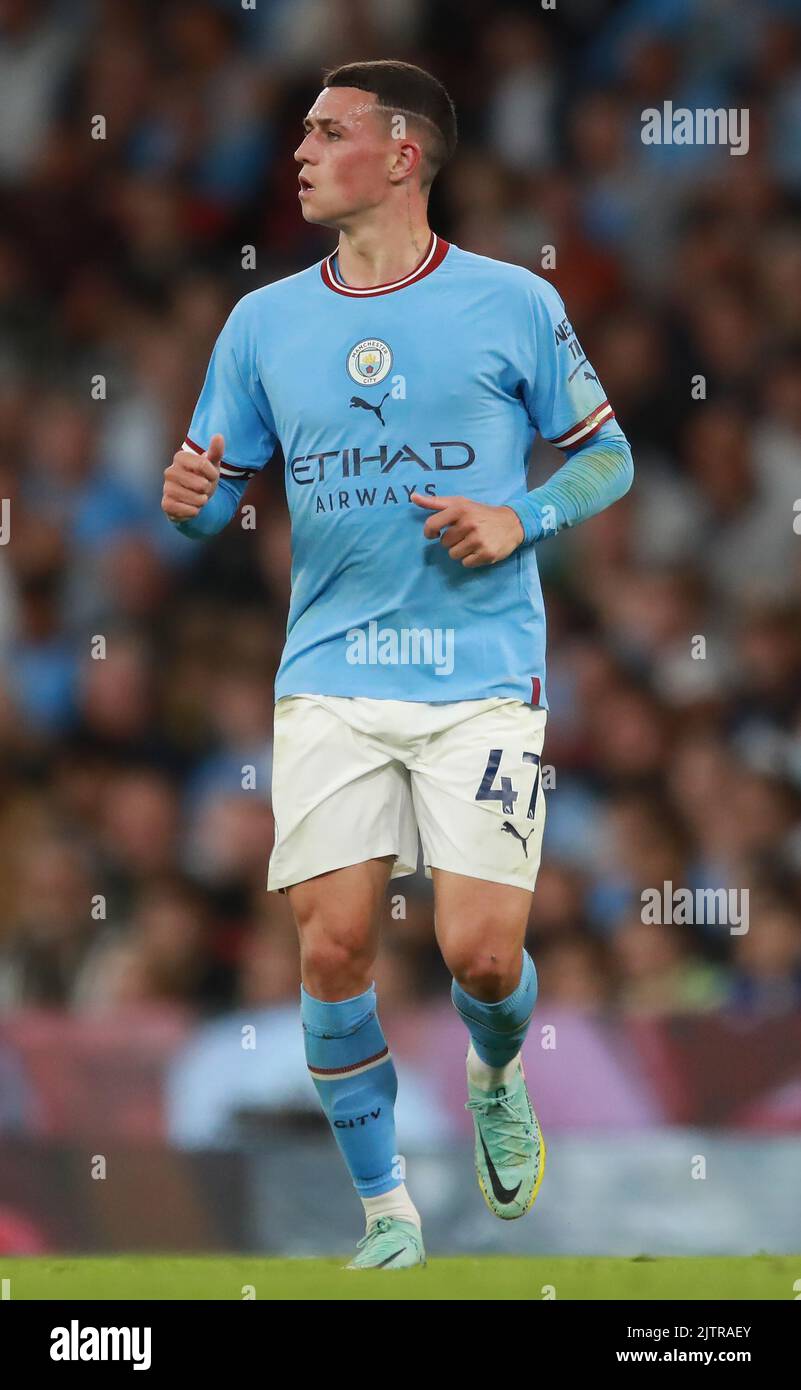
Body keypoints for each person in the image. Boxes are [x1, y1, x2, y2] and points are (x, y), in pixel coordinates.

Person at [161, 59, 634, 1270]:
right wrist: (196, 504)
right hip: (331, 669)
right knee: (330, 945)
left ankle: (494, 1066)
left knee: (479, 951)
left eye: (328, 133)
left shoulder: (510, 303)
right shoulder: (261, 321)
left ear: (405, 155)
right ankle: (387, 1215)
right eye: (303, 134)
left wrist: (517, 518)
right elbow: (218, 496)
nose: (301, 153)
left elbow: (607, 457)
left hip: (482, 670)